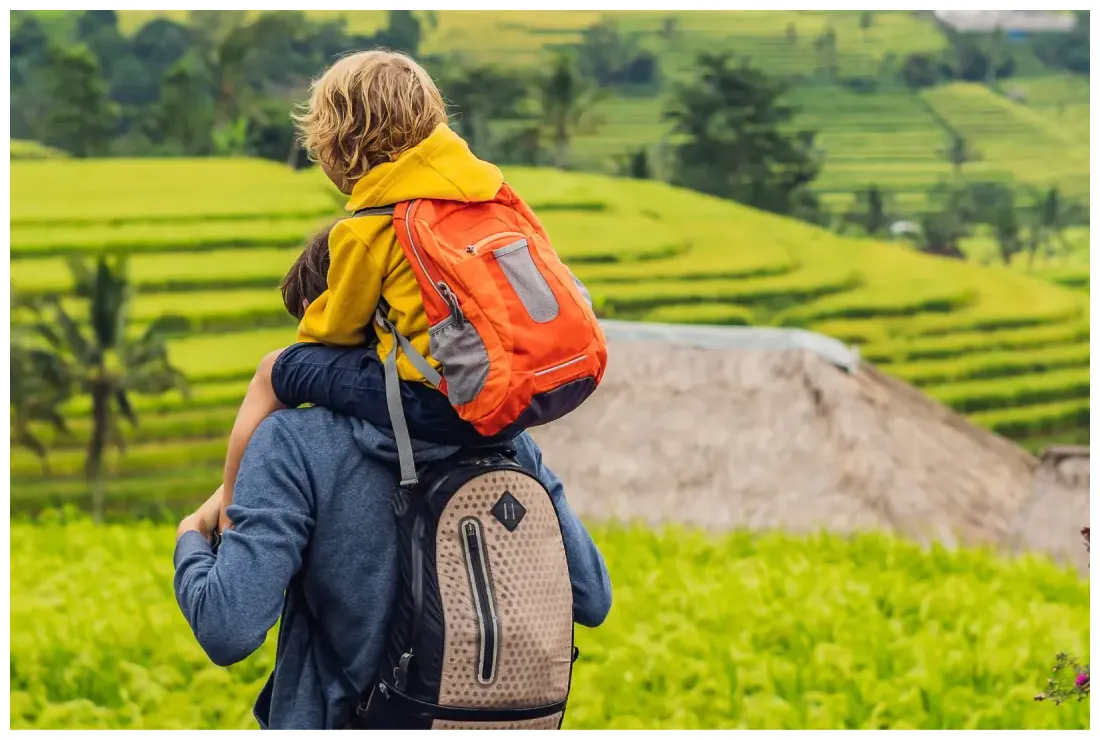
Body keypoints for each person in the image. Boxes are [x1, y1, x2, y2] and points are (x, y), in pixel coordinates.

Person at [173, 245, 613, 730]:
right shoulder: (502, 436)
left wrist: (190, 540)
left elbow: (228, 628)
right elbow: (592, 597)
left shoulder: (294, 443)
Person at [215, 48, 573, 533]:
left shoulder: (369, 228)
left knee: (273, 371)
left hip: (437, 405)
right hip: (513, 399)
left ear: (342, 146)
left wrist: (318, 308)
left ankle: (227, 513)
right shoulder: (487, 196)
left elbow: (334, 332)